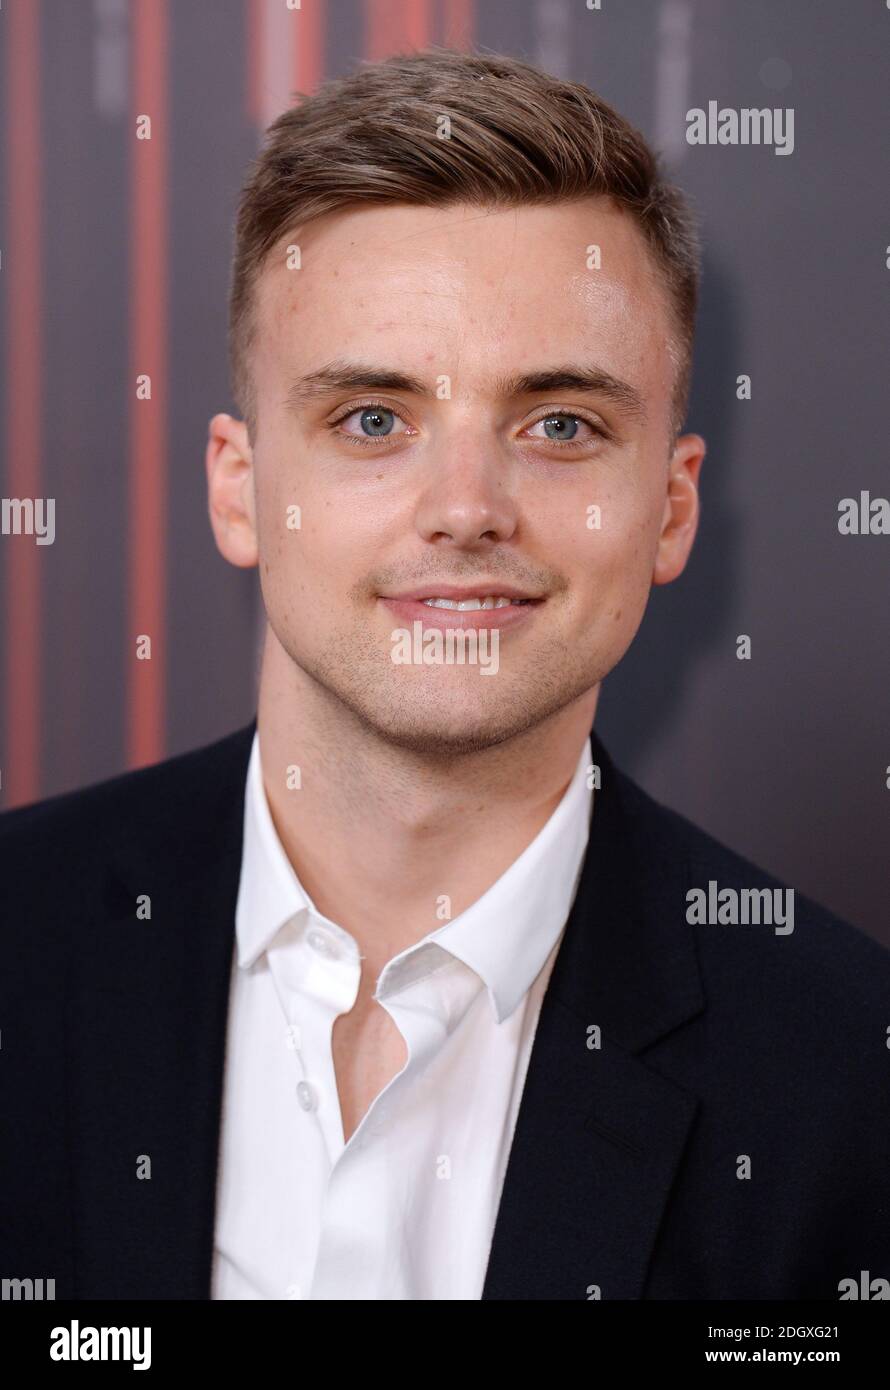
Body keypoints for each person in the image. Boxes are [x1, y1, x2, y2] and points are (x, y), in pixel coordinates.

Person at [1, 48, 888, 1302]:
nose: (465, 509)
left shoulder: (851, 1078)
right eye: (372, 419)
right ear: (238, 486)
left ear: (673, 507)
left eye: (560, 425)